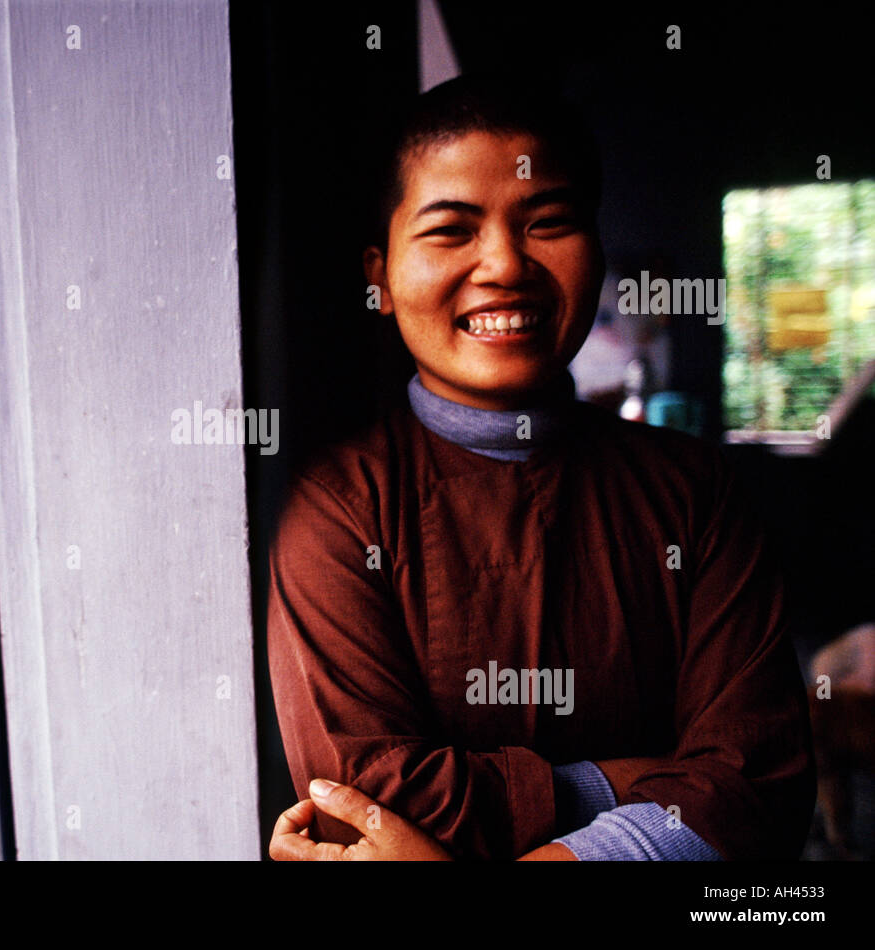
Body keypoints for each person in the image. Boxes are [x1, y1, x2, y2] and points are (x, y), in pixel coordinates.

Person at [265, 74, 815, 861]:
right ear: (379, 278)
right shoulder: (340, 505)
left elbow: (761, 786)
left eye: (547, 221)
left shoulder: (694, 490)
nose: (505, 265)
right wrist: (650, 784)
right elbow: (366, 797)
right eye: (452, 230)